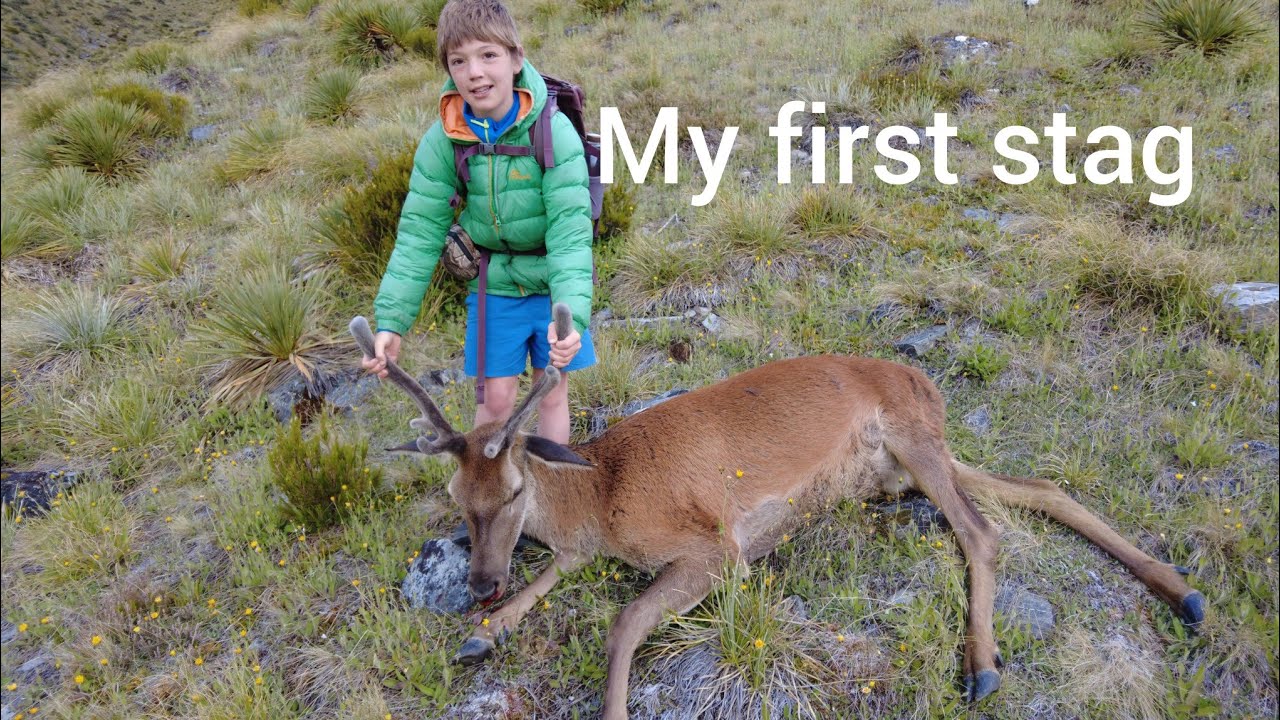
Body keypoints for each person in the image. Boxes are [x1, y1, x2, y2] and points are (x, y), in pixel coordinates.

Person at [362, 0, 596, 446]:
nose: (475, 73)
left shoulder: (553, 130)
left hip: (552, 284)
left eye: (488, 55)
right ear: (449, 70)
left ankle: (553, 503)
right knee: (496, 400)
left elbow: (570, 229)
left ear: (516, 58)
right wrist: (392, 321)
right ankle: (486, 505)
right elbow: (418, 233)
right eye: (459, 61)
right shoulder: (443, 140)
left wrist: (572, 315)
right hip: (495, 287)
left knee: (550, 394)